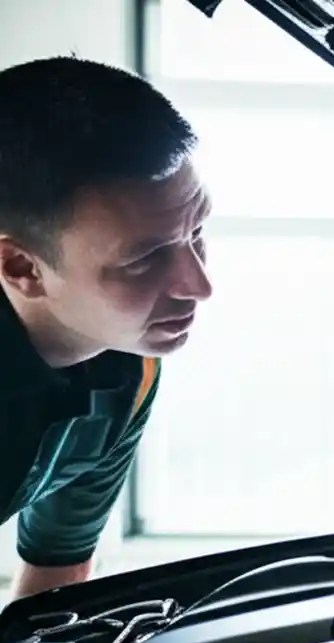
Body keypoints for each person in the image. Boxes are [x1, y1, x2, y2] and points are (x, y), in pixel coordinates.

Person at [0, 57, 212, 600]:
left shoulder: (129, 367)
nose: (198, 284)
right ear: (22, 268)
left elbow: (55, 578)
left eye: (197, 231)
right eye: (143, 260)